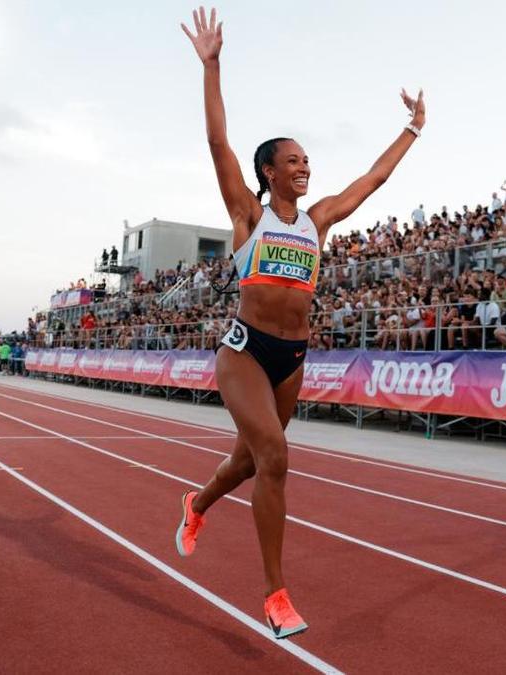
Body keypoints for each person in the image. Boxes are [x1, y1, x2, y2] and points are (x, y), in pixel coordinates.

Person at [174, 8, 425, 640]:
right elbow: (217, 143)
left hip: (293, 356)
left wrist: (412, 131)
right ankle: (276, 594)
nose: (304, 167)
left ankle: (197, 503)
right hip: (245, 353)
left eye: (307, 159)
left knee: (252, 464)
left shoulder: (317, 221)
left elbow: (373, 180)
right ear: (269, 172)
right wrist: (212, 67)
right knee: (277, 456)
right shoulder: (245, 218)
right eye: (293, 160)